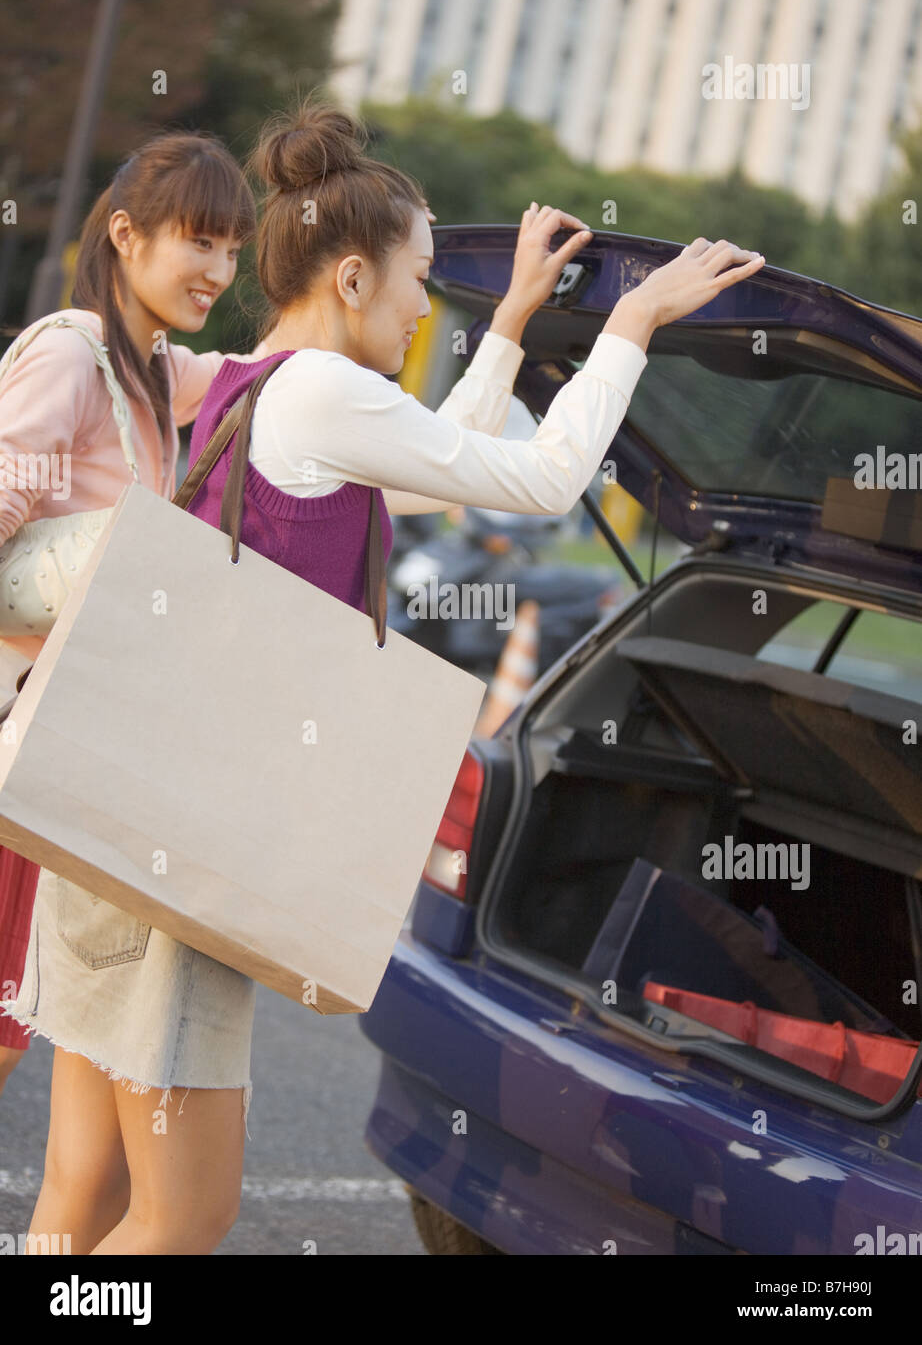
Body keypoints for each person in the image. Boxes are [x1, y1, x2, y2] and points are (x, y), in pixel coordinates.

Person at [2, 91, 764, 1255]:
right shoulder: (321, 394)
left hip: (115, 832)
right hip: (179, 867)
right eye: (416, 282)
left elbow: (446, 458)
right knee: (181, 1222)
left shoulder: (260, 385)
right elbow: (543, 477)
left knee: (81, 1204)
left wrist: (508, 318)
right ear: (352, 279)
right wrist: (634, 328)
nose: (423, 308)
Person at [0, 130, 255, 1246]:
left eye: (237, 249)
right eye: (201, 240)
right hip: (19, 742)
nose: (219, 270)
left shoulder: (160, 375)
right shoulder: (74, 352)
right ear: (125, 235)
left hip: (64, 767)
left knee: (68, 1155)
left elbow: (279, 385)